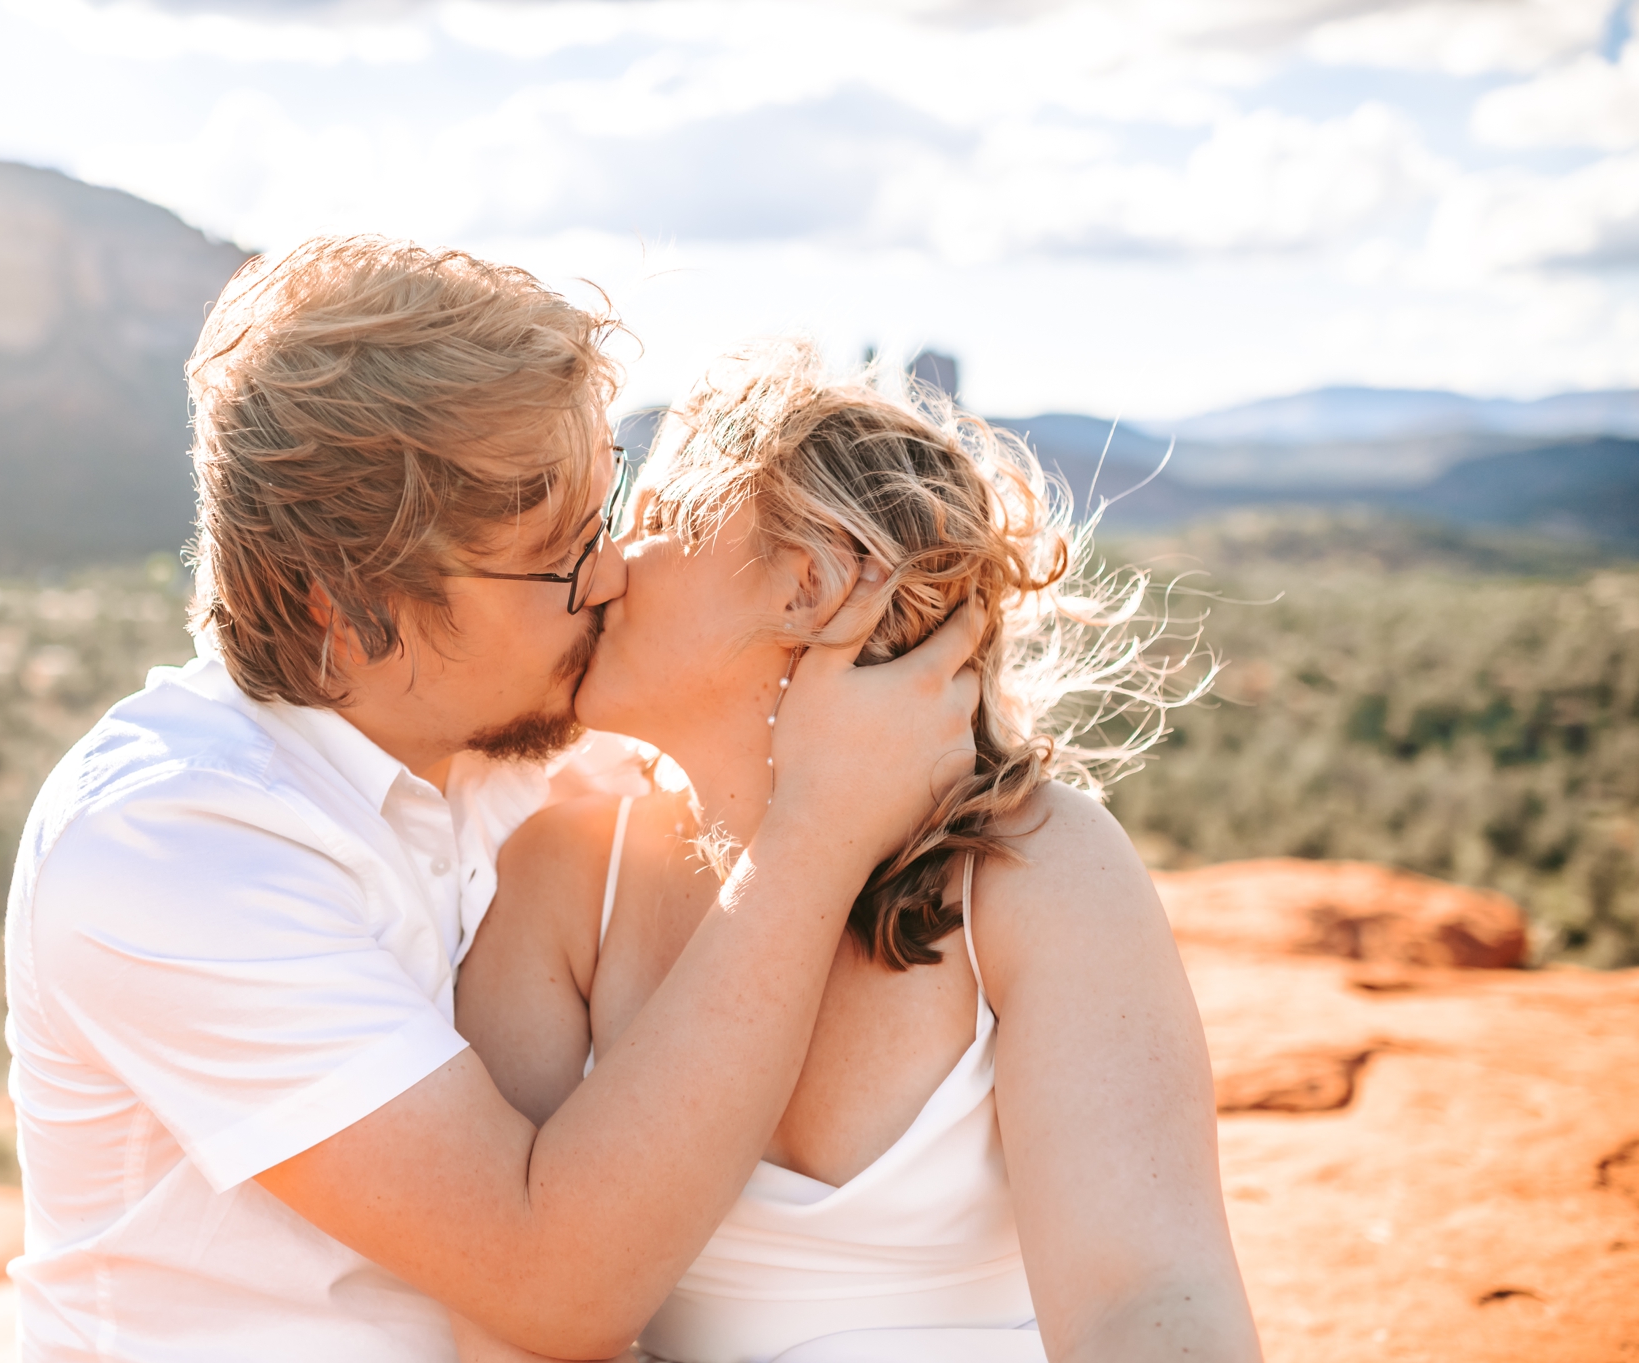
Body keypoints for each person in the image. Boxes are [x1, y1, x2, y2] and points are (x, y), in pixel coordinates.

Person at [1, 239, 983, 1362]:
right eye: (557, 558)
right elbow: (554, 1282)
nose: (608, 576)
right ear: (347, 610)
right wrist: (817, 829)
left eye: (603, 517)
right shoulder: (170, 844)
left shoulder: (509, 744)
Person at [455, 340, 1262, 1363]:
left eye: (655, 523)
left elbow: (1147, 1298)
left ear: (807, 585)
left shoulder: (1035, 867)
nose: (604, 567)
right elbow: (508, 1307)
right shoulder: (564, 879)